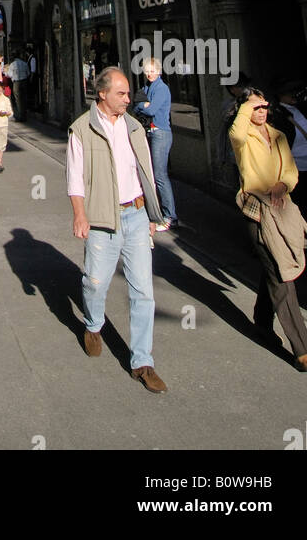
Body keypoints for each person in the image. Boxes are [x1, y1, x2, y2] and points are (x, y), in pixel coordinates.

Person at [66, 66, 167, 392]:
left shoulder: (134, 127)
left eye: (128, 93)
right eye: (121, 94)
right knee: (95, 283)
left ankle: (142, 363)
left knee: (143, 291)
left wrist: (151, 214)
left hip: (136, 214)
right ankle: (93, 325)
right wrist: (80, 215)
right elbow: (75, 177)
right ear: (103, 94)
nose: (128, 99)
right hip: (101, 219)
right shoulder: (82, 129)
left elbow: (146, 172)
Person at [229, 87, 307, 369]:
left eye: (264, 106)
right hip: (257, 210)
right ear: (244, 110)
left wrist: (284, 184)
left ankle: (261, 322)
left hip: (282, 209)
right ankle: (303, 350)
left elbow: (291, 170)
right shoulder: (243, 137)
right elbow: (236, 134)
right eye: (255, 107)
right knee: (281, 275)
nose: (261, 111)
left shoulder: (278, 135)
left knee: (272, 268)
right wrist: (246, 105)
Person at [274, 87, 307, 250]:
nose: (294, 94)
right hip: (292, 171)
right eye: (290, 91)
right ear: (280, 94)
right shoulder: (277, 115)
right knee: (299, 210)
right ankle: (302, 248)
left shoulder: (306, 110)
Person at [133, 57, 177, 231]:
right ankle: (156, 213)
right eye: (147, 71)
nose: (149, 74)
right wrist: (143, 104)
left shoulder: (161, 88)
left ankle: (170, 216)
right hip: (150, 133)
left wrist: (144, 105)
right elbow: (136, 106)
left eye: (152, 70)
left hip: (161, 133)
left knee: (160, 176)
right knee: (151, 174)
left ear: (159, 71)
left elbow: (151, 110)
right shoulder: (147, 87)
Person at [6, 49, 29, 121]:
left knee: (18, 99)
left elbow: (9, 75)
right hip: (24, 81)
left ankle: (21, 115)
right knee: (24, 98)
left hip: (16, 83)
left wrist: (7, 73)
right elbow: (28, 73)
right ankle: (25, 114)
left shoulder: (12, 65)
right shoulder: (24, 63)